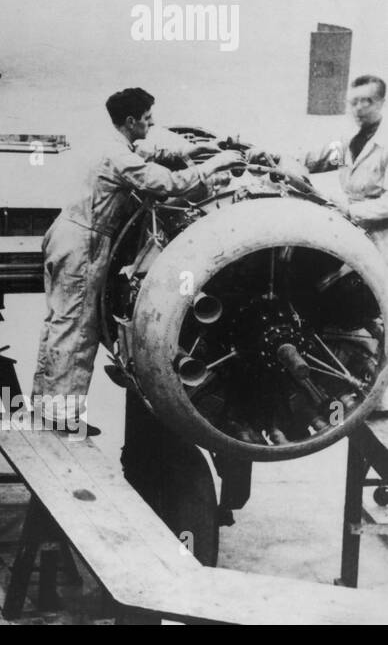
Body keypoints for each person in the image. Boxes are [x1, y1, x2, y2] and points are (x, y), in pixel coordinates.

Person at [32, 88, 238, 431]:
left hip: (65, 234)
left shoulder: (111, 142)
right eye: (147, 118)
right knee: (78, 330)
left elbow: (149, 149)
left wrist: (192, 149)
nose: (152, 122)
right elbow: (170, 183)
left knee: (59, 322)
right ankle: (60, 418)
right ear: (130, 121)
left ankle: (46, 405)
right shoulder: (120, 158)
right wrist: (216, 165)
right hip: (86, 243)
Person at [260, 74, 388, 260]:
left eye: (366, 101)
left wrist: (351, 211)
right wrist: (273, 157)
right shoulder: (351, 140)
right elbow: (314, 159)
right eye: (353, 102)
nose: (358, 109)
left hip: (381, 234)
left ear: (381, 103)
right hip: (354, 225)